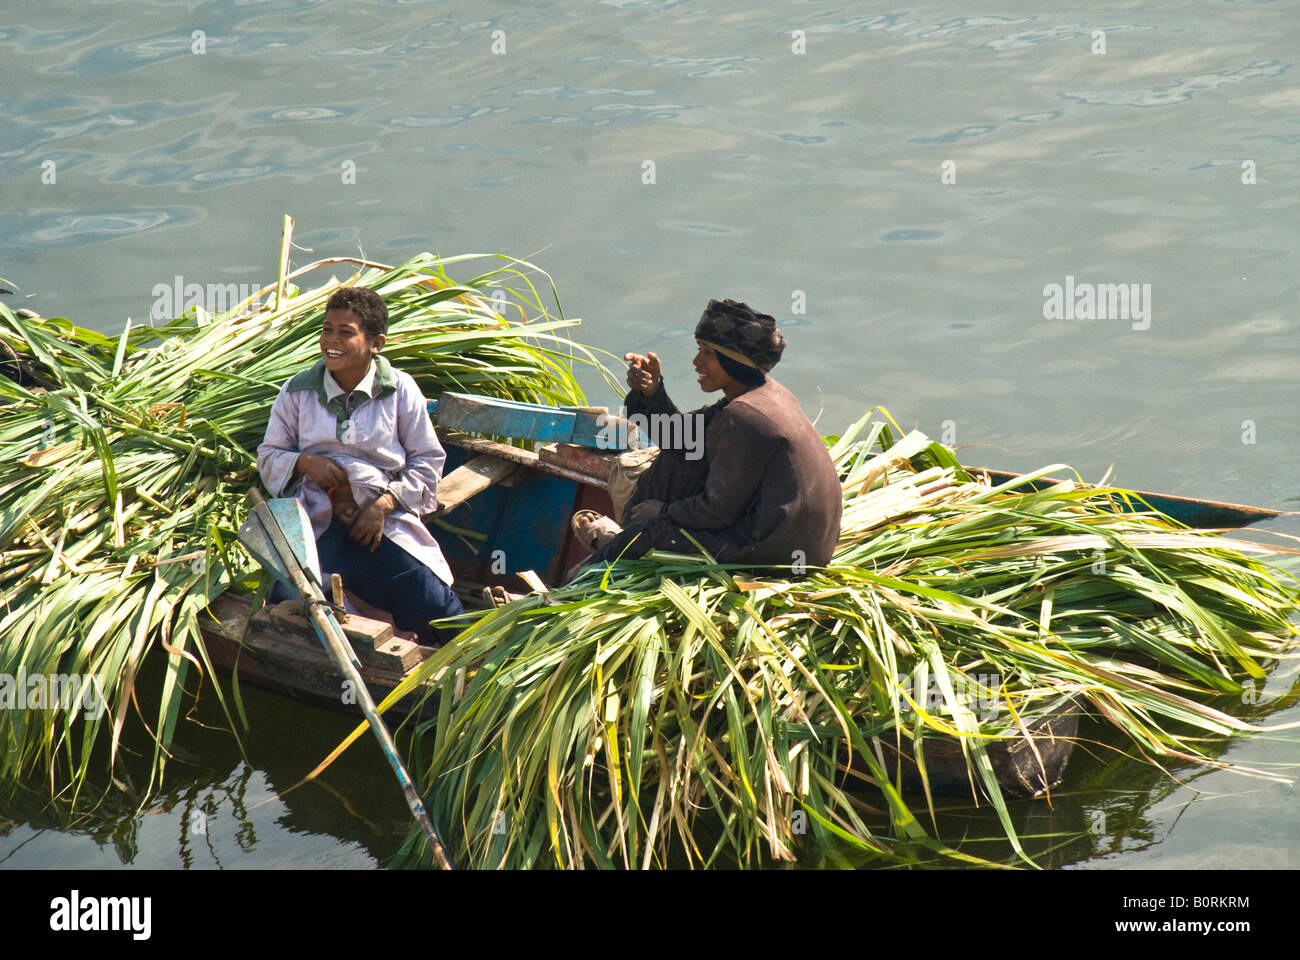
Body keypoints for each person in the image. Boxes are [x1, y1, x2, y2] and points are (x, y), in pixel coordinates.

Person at [256, 286, 465, 645]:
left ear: (376, 343)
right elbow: (269, 456)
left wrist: (383, 505)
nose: (331, 341)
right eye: (326, 329)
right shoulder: (297, 391)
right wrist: (305, 463)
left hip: (379, 521)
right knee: (294, 603)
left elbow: (427, 461)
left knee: (436, 607)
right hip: (319, 521)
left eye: (345, 332)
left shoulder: (400, 390)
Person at [578, 298, 842, 573]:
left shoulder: (745, 415)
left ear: (735, 360)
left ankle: (572, 583)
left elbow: (717, 511)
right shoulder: (762, 394)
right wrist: (652, 392)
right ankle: (622, 540)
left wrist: (662, 512)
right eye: (698, 350)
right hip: (806, 546)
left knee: (647, 535)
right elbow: (679, 436)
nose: (696, 362)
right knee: (679, 457)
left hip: (773, 552)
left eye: (708, 353)